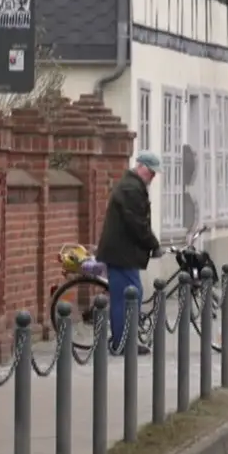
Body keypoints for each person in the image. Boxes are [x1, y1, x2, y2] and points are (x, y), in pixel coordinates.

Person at [96, 150, 161, 354]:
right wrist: (153, 244)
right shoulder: (131, 189)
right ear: (141, 167)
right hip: (121, 253)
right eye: (151, 173)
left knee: (129, 295)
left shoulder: (131, 185)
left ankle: (125, 340)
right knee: (127, 296)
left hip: (122, 252)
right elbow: (137, 223)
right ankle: (122, 342)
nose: (153, 177)